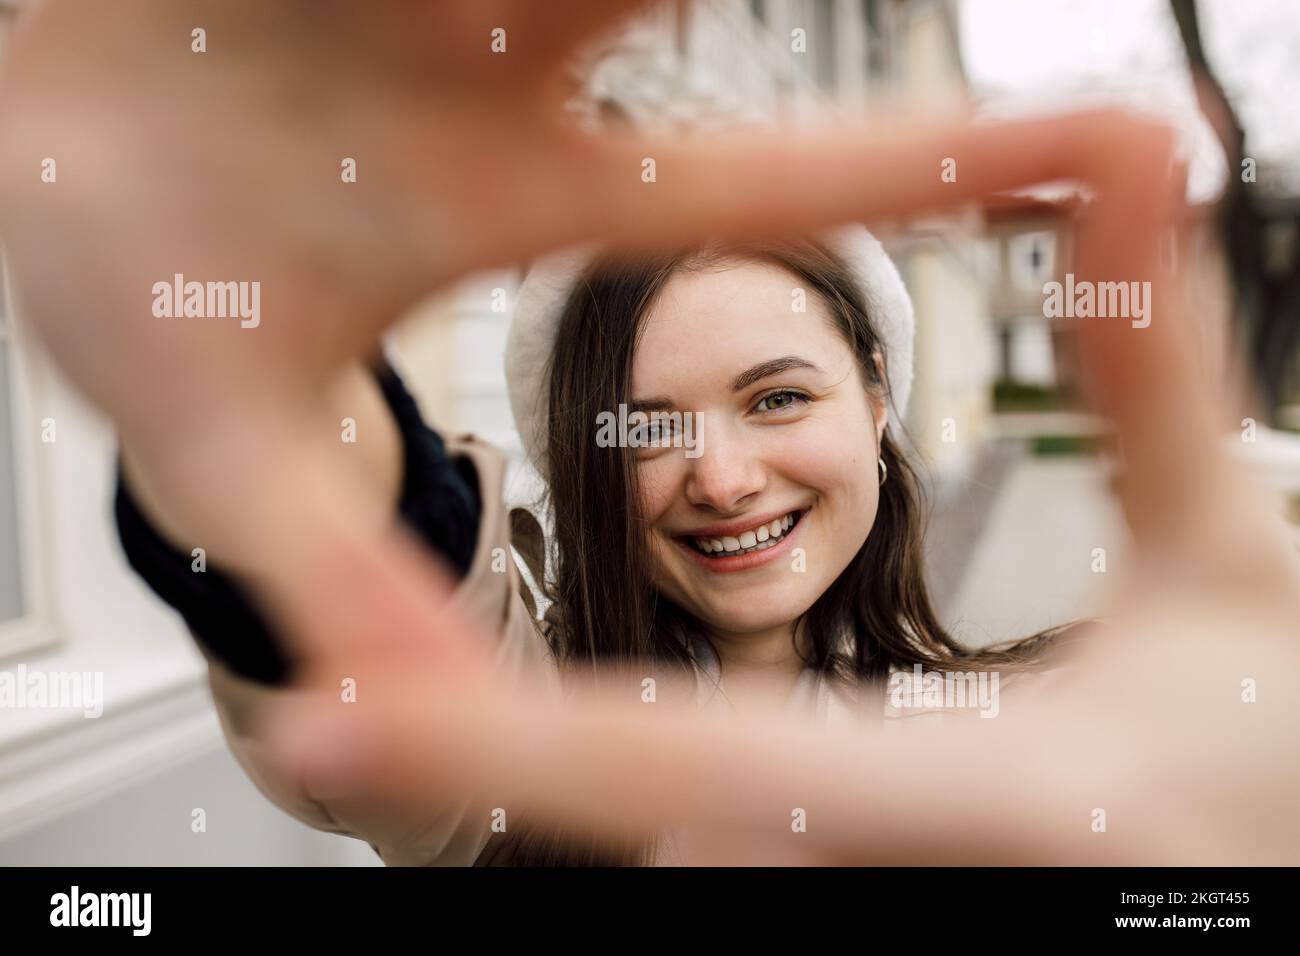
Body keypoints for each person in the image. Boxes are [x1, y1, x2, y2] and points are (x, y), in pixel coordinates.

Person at [1, 0, 1295, 865]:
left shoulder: (1066, 733)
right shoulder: (516, 754)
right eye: (646, 429)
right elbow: (367, 557)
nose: (722, 478)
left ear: (879, 403)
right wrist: (239, 376)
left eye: (779, 397)